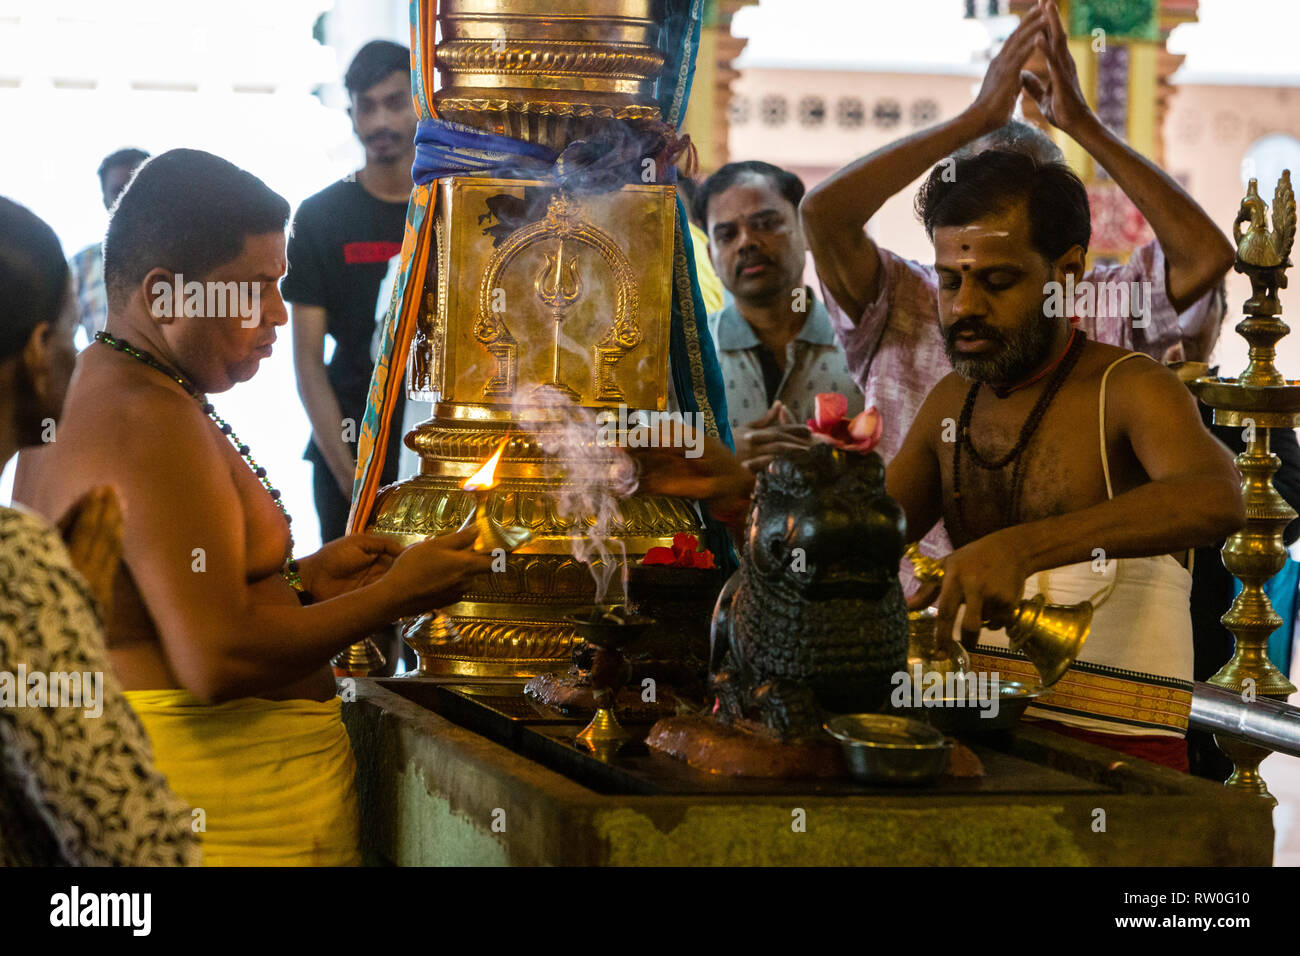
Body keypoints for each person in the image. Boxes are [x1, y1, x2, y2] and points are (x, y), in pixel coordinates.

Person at [14, 150, 492, 865]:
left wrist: (303, 583)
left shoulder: (129, 388)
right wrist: (395, 595)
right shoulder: (144, 413)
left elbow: (169, 603)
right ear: (164, 294)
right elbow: (215, 657)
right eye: (257, 288)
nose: (275, 314)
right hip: (222, 819)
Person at [801, 0, 1232, 475]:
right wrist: (975, 120)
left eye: (1001, 280)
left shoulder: (1101, 303)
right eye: (953, 281)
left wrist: (1083, 125)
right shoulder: (902, 297)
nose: (966, 306)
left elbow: (1204, 257)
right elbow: (823, 216)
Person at [0, 196, 197, 865]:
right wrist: (66, 619)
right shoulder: (14, 558)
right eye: (66, 333)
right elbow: (139, 848)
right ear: (35, 353)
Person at [283, 40, 415, 544]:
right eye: (367, 106)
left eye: (395, 102)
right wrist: (350, 477)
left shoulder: (452, 208)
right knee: (354, 611)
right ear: (350, 113)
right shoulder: (320, 217)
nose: (380, 120)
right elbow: (307, 362)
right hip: (349, 439)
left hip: (439, 440)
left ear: (421, 103)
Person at [694, 161, 862, 473]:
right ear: (711, 258)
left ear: (806, 231)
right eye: (727, 234)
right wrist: (717, 455)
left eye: (766, 223)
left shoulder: (862, 351)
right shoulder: (687, 359)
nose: (747, 242)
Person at [68, 148, 150, 347]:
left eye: (136, 189)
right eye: (117, 191)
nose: (127, 200)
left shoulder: (185, 258)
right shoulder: (81, 266)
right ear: (104, 199)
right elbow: (57, 337)